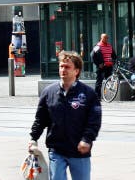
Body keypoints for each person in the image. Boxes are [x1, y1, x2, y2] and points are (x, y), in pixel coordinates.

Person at [30, 50, 102, 180]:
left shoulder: (88, 94)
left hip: (80, 151)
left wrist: (87, 139)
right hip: (57, 150)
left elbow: (94, 121)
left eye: (67, 67)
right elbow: (40, 119)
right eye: (61, 66)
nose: (63, 70)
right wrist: (33, 138)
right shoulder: (48, 92)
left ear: (77, 71)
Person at [92, 33, 116, 97]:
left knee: (110, 81)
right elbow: (93, 56)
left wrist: (113, 61)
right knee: (99, 82)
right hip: (102, 67)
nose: (106, 39)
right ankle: (97, 97)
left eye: (107, 38)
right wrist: (98, 64)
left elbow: (114, 55)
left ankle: (110, 96)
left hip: (109, 66)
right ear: (101, 38)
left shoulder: (109, 46)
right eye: (104, 37)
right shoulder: (97, 46)